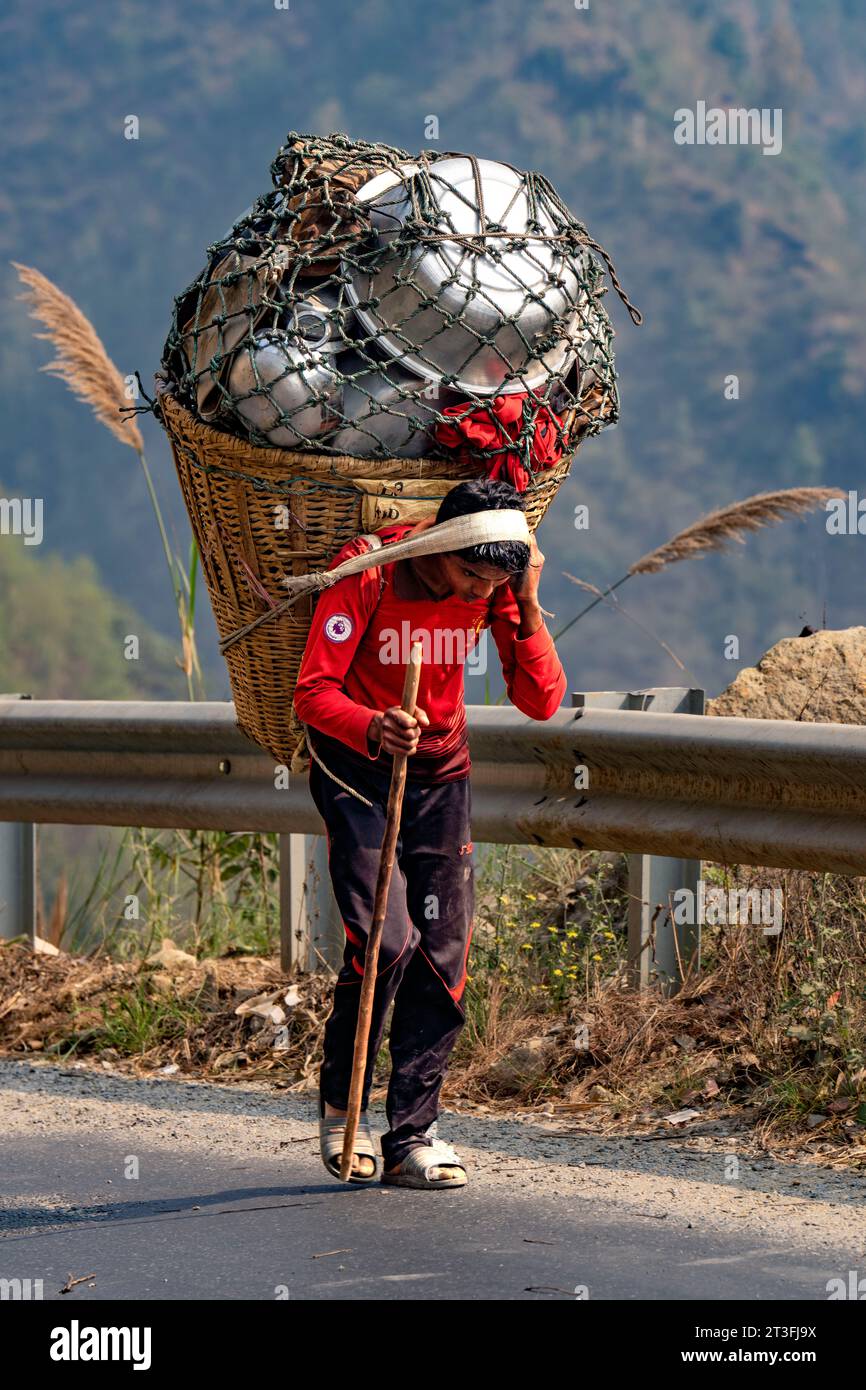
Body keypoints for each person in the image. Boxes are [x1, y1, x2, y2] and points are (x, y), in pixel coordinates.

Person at [293, 478, 567, 1189]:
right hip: (359, 772)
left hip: (440, 774)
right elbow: (312, 692)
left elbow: (541, 702)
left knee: (444, 950)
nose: (479, 591)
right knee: (387, 942)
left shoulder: (499, 589)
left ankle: (413, 1134)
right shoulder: (369, 573)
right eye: (469, 574)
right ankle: (338, 1110)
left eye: (494, 580)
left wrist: (527, 602)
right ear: (440, 548)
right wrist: (373, 724)